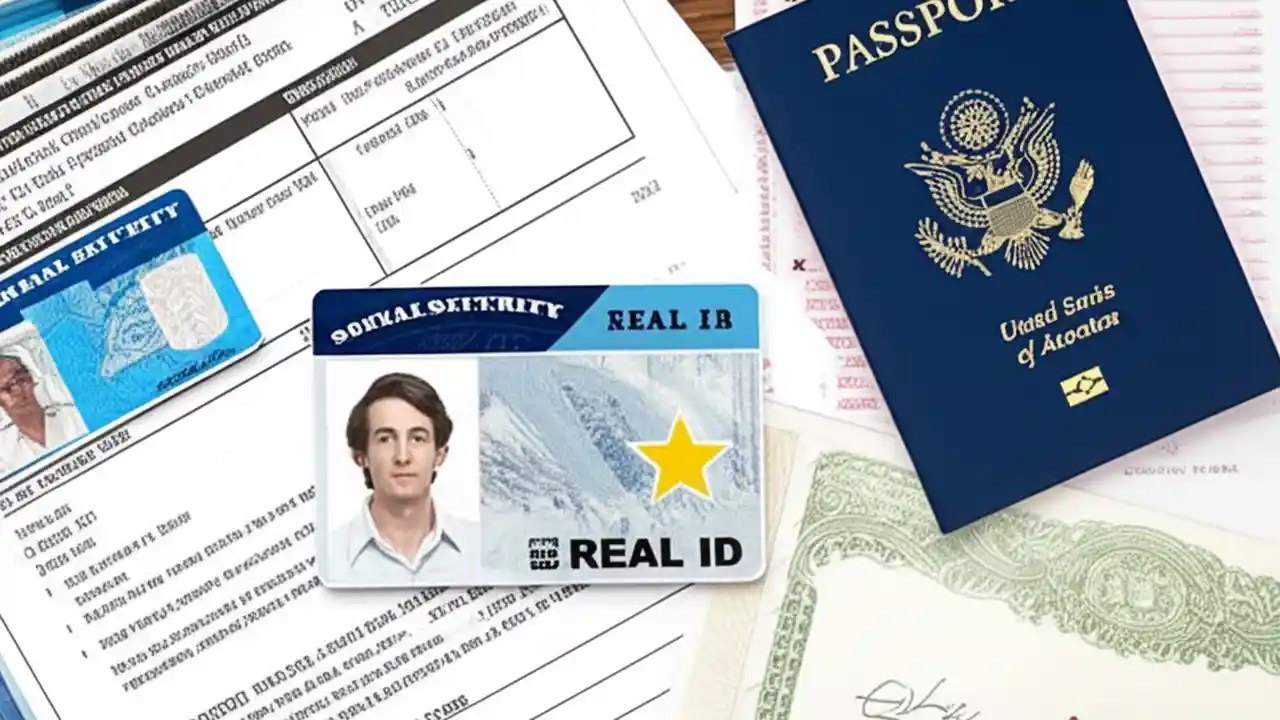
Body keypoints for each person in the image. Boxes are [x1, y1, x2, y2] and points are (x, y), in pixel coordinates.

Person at [327, 372, 475, 585]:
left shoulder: (485, 549)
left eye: (417, 438)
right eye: (385, 439)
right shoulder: (328, 555)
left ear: (439, 455)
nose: (403, 457)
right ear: (361, 457)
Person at [0, 354, 87, 474]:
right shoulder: (3, 453)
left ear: (31, 379)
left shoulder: (74, 415)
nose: (18, 390)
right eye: (6, 387)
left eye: (20, 379)